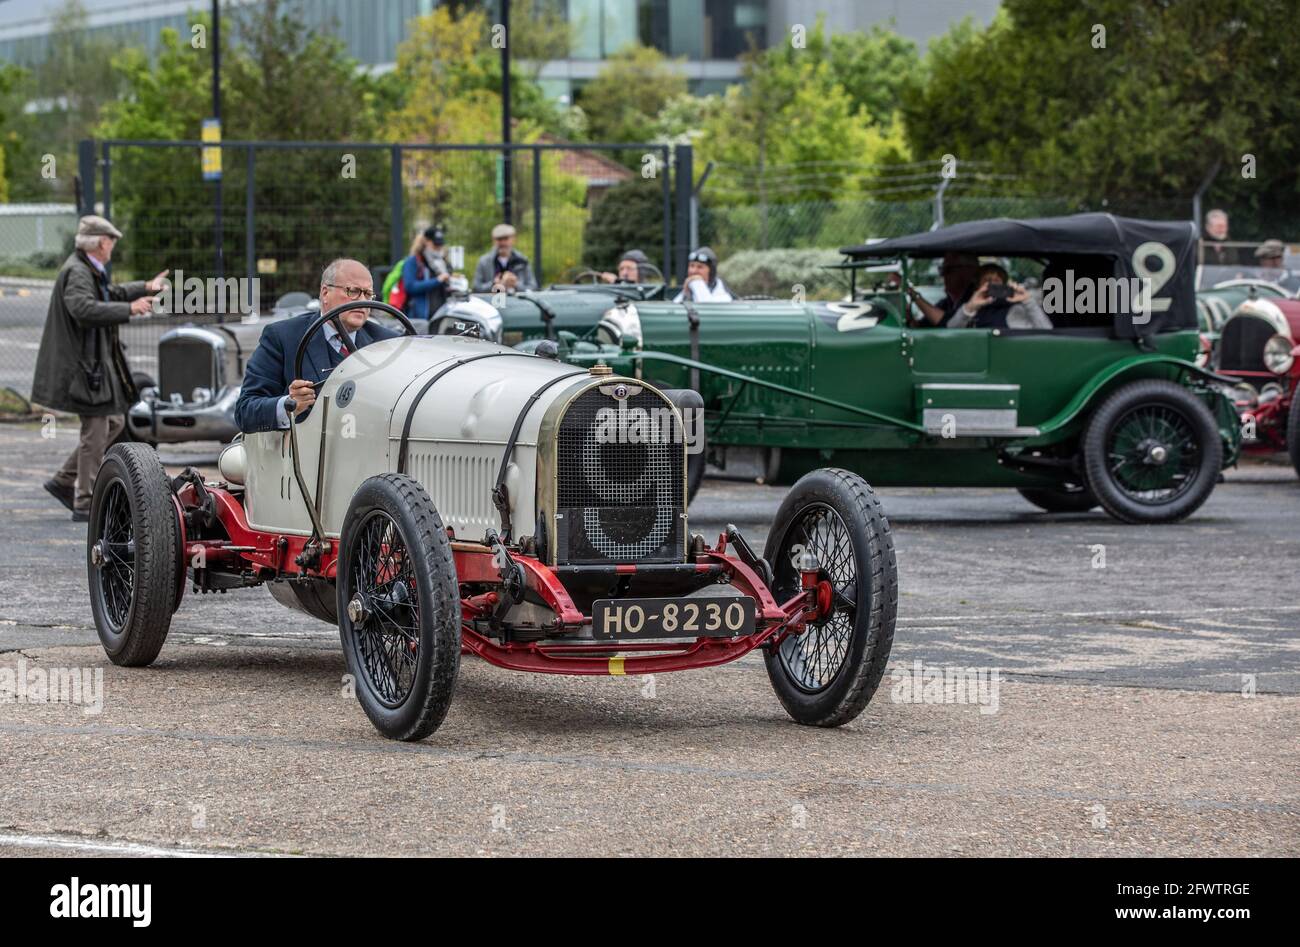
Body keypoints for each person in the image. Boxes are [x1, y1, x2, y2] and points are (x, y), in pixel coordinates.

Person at [32, 215, 167, 522]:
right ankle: (84, 500)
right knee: (95, 431)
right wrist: (130, 308)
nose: (112, 248)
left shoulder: (87, 269)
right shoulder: (78, 272)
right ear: (101, 243)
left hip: (91, 368)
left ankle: (64, 479)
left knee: (114, 423)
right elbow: (83, 309)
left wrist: (144, 287)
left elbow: (109, 295)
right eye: (111, 242)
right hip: (84, 370)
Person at [234, 259, 398, 434]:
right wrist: (289, 405)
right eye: (353, 291)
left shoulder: (388, 343)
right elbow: (245, 411)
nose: (363, 301)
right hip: (307, 456)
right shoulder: (283, 337)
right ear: (325, 293)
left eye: (368, 294)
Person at [947, 263, 1052, 330]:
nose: (993, 285)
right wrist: (970, 307)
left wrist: (1027, 300)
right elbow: (950, 332)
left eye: (997, 281)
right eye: (987, 281)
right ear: (978, 286)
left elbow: (1047, 331)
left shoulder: (1016, 309)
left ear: (1004, 285)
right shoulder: (969, 311)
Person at [904, 251, 978, 326]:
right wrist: (909, 317)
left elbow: (950, 323)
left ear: (968, 270)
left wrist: (913, 294)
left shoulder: (976, 299)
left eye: (948, 270)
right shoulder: (946, 303)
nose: (943, 275)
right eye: (942, 270)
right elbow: (923, 327)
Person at [401, 227, 452, 319]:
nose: (438, 248)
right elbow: (410, 286)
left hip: (440, 315)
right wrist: (437, 280)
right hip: (420, 317)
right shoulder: (413, 261)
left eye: (440, 244)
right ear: (426, 242)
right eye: (435, 244)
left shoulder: (443, 262)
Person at [472, 223, 537, 293]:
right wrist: (493, 284)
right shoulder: (484, 262)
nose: (502, 243)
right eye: (499, 239)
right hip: (491, 301)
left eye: (506, 239)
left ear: (513, 239)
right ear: (493, 240)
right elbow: (476, 288)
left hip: (516, 302)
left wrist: (516, 284)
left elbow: (533, 288)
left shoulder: (523, 260)